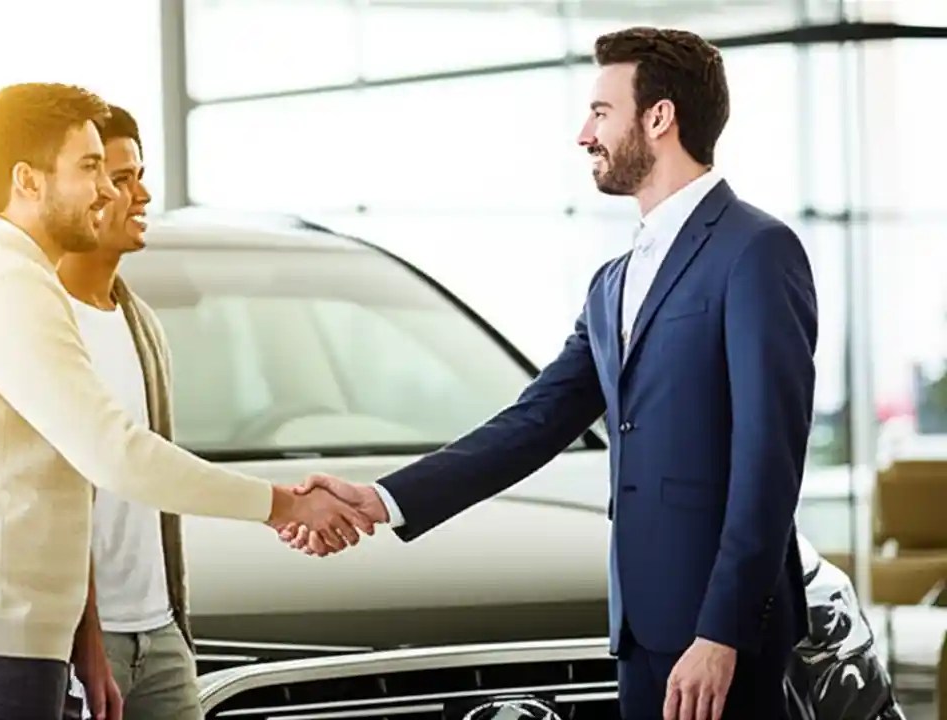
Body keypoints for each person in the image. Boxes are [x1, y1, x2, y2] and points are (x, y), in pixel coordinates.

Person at [283, 27, 818, 720]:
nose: (583, 134)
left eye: (601, 111)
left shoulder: (757, 251)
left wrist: (722, 631)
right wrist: (381, 499)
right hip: (641, 630)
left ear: (659, 118)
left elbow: (769, 464)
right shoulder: (613, 281)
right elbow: (533, 424)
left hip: (720, 638)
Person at [0, 83, 373, 720]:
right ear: (28, 181)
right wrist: (283, 503)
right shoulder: (6, 285)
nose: (107, 190)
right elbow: (116, 455)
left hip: (6, 642)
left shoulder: (14, 278)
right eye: (90, 168)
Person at [53, 104, 204, 719]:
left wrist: (173, 621)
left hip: (162, 634)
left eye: (140, 175)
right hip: (82, 642)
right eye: (119, 179)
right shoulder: (45, 319)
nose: (140, 195)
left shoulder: (141, 323)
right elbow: (60, 491)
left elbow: (152, 472)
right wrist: (86, 641)